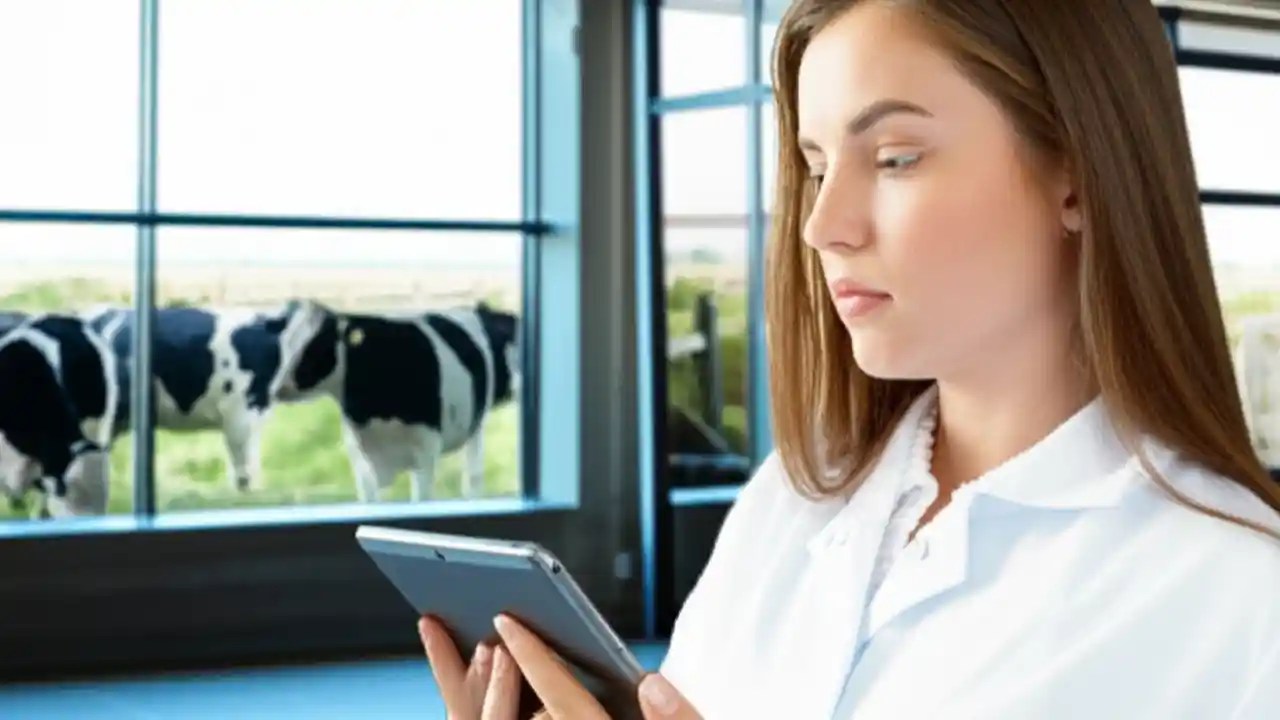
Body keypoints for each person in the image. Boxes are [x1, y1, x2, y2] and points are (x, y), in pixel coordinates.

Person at [416, 0, 1280, 717]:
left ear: (1080, 178)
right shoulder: (791, 497)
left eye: (896, 158)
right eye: (815, 166)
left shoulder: (1241, 599)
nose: (822, 225)